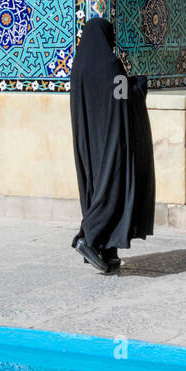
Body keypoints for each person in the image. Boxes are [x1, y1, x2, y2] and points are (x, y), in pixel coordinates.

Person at [69, 17, 155, 273]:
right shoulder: (110, 65)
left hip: (89, 144)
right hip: (111, 143)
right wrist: (138, 85)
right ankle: (87, 237)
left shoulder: (79, 68)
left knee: (97, 189)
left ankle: (105, 249)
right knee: (114, 189)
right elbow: (123, 98)